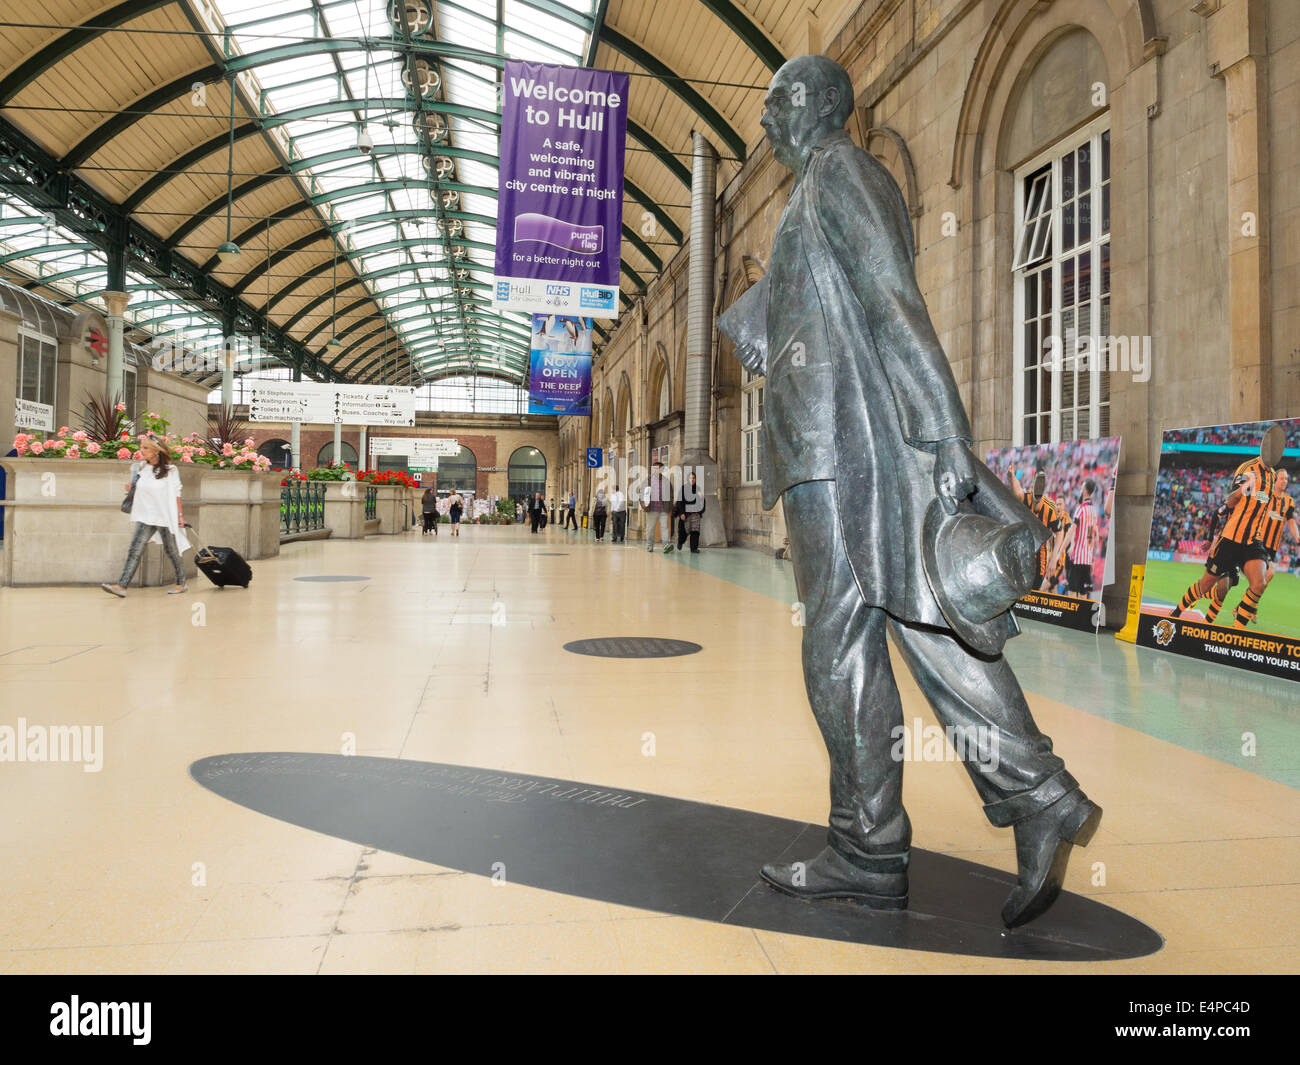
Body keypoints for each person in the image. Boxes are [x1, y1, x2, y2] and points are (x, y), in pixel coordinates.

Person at [717, 55, 1096, 928]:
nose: (765, 120)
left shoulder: (842, 173)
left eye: (773, 102)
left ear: (808, 102)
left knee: (838, 647)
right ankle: (1038, 795)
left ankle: (867, 848)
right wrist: (764, 320)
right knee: (924, 626)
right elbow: (832, 306)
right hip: (843, 444)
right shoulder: (817, 186)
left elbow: (895, 304)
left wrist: (948, 431)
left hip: (844, 452)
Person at [1171, 426, 1286, 628]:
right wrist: (1244, 488)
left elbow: (1264, 507)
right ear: (1263, 447)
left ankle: (1237, 632)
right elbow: (1230, 501)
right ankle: (1176, 613)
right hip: (1231, 538)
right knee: (1206, 584)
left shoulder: (1273, 476)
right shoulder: (1247, 469)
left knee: (1260, 583)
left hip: (1253, 541)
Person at [101, 437, 189, 597]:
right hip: (145, 516)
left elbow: (177, 494)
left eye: (146, 448)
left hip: (164, 517)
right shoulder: (141, 467)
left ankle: (181, 582)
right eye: (142, 447)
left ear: (156, 451)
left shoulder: (171, 470)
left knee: (171, 550)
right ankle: (121, 586)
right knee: (135, 550)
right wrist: (131, 487)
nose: (142, 451)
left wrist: (180, 516)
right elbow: (138, 488)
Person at [1065, 479, 1100, 596]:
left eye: (1081, 489)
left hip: (1078, 559)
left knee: (1072, 594)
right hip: (1087, 560)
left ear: (1085, 491)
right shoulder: (1094, 511)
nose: (1080, 491)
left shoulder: (1080, 509)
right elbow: (1096, 537)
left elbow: (1071, 531)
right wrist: (1093, 560)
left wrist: (1062, 549)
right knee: (1083, 596)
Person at [641, 459, 673, 553]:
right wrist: (643, 503)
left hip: (663, 508)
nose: (655, 470)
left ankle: (666, 546)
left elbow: (671, 495)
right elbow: (642, 493)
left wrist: (670, 507)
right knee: (650, 529)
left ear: (661, 470)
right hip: (652, 509)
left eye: (657, 468)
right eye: (654, 468)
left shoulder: (666, 481)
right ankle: (649, 545)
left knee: (664, 528)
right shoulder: (647, 480)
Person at [679, 470, 705, 553]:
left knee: (695, 531)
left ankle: (693, 548)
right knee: (684, 531)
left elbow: (702, 501)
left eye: (694, 478)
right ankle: (680, 542)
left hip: (695, 513)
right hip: (686, 513)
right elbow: (680, 502)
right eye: (690, 478)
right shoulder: (683, 488)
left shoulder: (698, 488)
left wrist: (701, 497)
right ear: (688, 479)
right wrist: (681, 513)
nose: (692, 479)